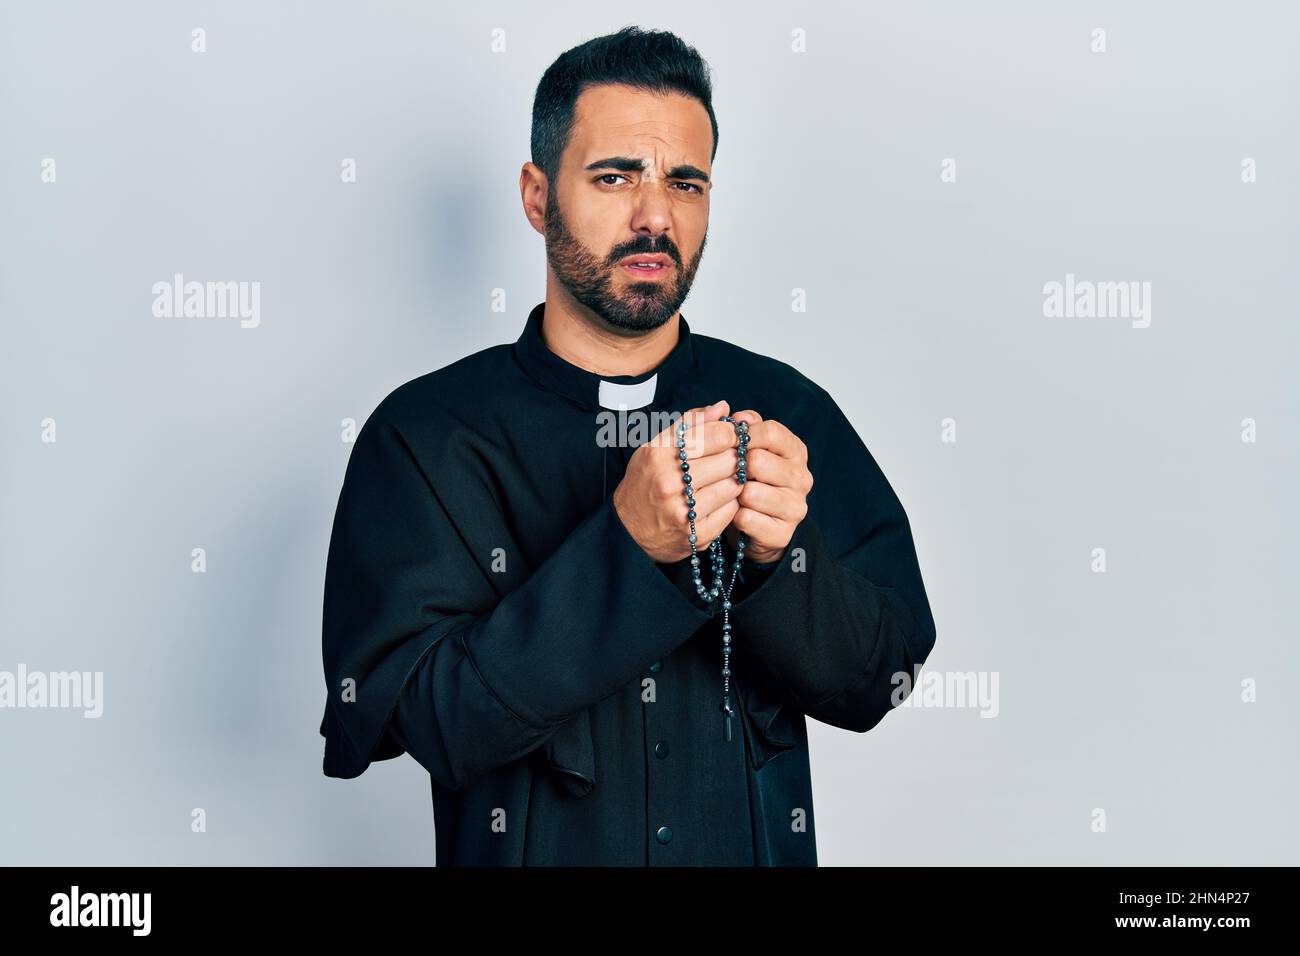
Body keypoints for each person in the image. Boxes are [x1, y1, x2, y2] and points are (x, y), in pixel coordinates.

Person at [319, 25, 937, 866]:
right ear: (538, 197)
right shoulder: (423, 439)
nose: (654, 217)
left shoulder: (788, 411)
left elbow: (879, 681)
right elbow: (438, 724)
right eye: (615, 178)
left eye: (686, 183)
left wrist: (780, 564)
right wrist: (627, 550)